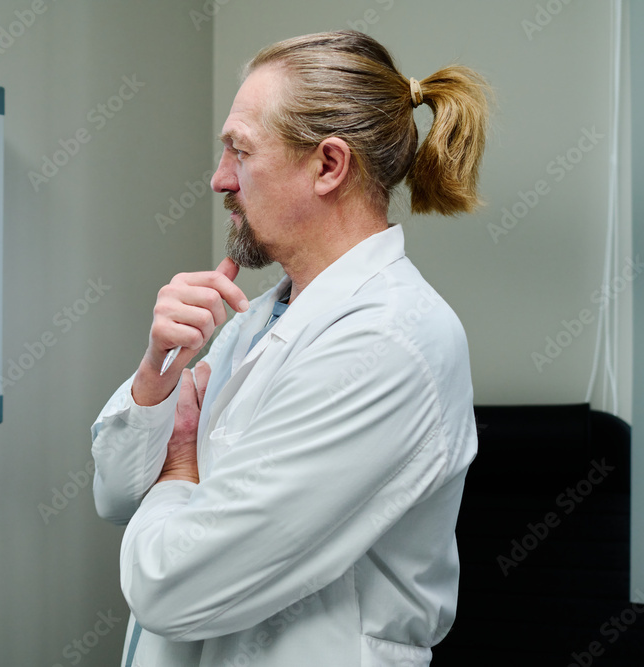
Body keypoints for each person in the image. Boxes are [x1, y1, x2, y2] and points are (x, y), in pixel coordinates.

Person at [91, 30, 490, 666]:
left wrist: (179, 467)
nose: (220, 179)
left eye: (239, 151)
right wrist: (154, 379)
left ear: (329, 165)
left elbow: (168, 586)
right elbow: (114, 496)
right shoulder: (263, 318)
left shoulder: (388, 344)